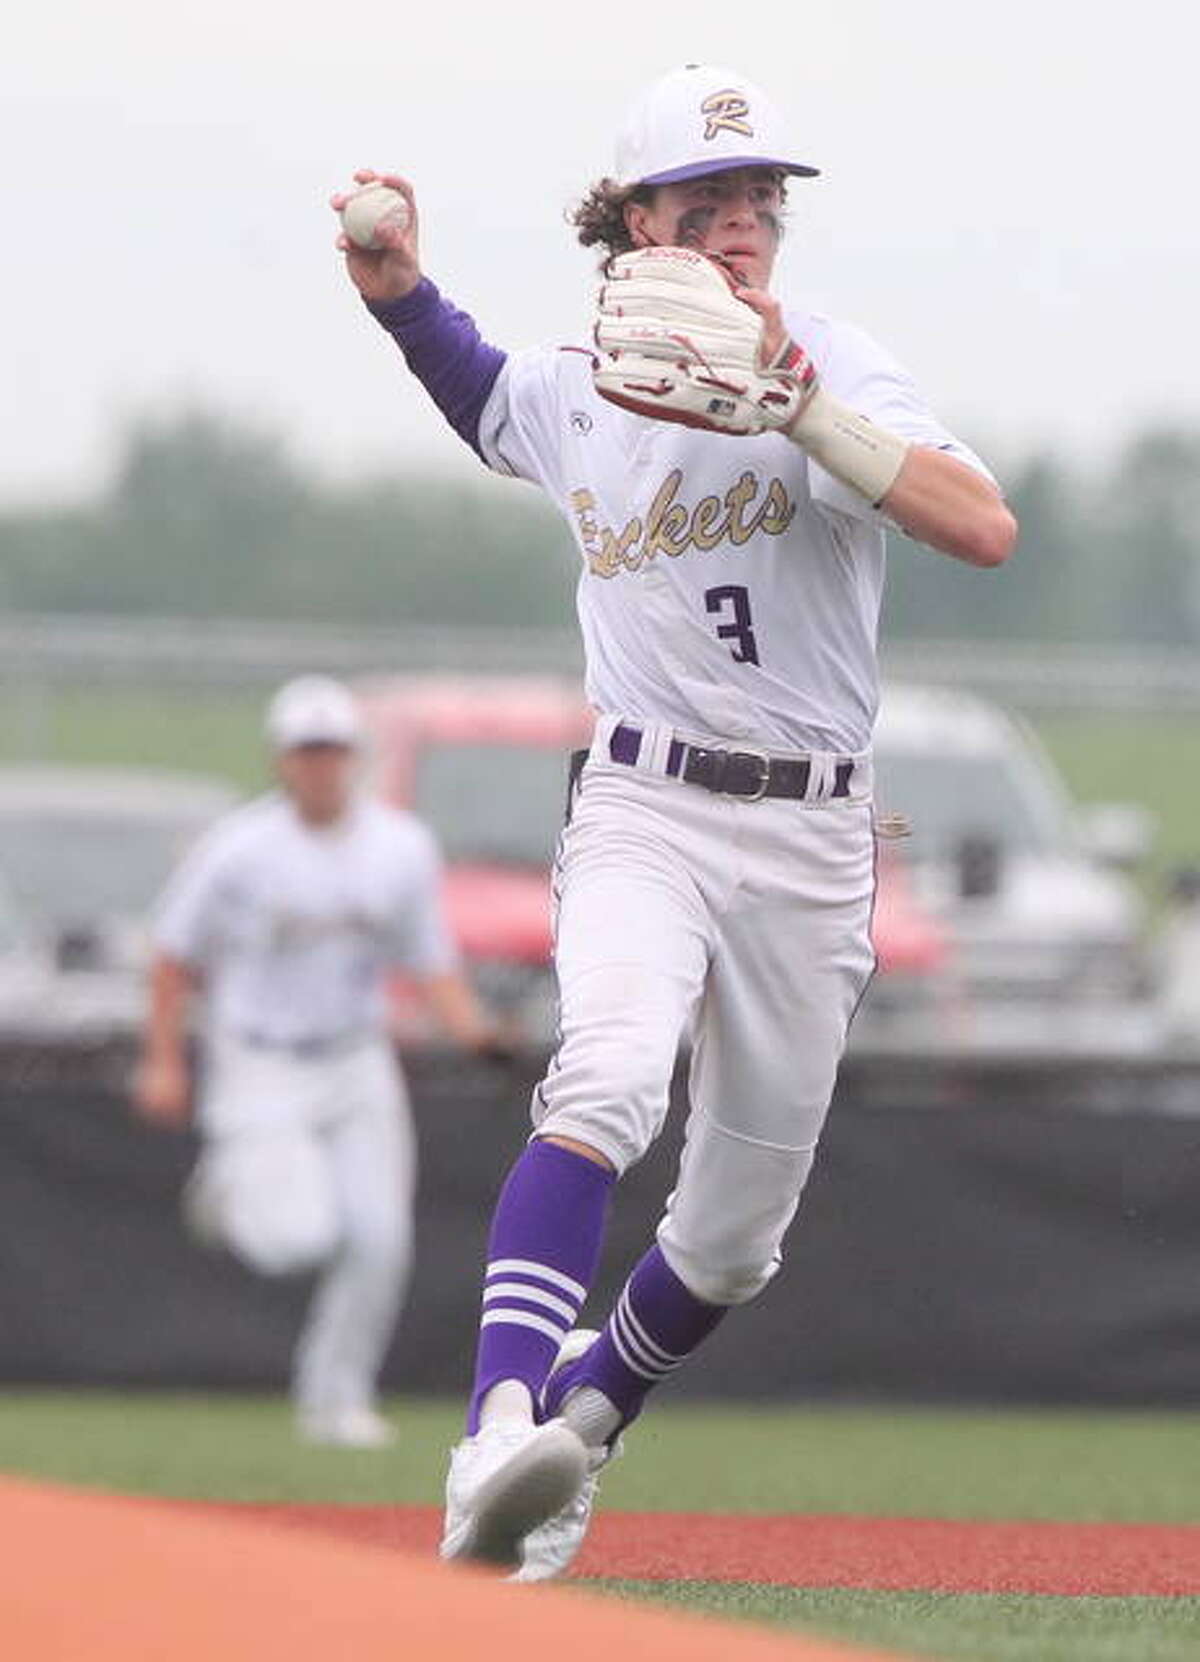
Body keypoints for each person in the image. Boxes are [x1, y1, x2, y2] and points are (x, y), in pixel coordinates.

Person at [333, 63, 1017, 1568]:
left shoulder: (835, 362)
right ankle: (497, 1432)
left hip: (817, 838)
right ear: (638, 222)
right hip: (644, 799)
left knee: (733, 1236)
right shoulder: (585, 385)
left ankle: (584, 1418)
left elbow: (981, 525)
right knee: (607, 1078)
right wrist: (397, 291)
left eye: (761, 203)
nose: (742, 229)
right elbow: (485, 389)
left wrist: (808, 414)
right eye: (707, 204)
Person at [133, 674, 507, 1447]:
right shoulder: (237, 849)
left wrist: (474, 1032)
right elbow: (170, 956)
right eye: (307, 751)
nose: (321, 766)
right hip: (260, 1058)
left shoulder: (400, 846)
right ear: (282, 760)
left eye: (334, 750)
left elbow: (429, 959)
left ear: (356, 757)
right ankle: (228, 1191)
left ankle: (335, 1400)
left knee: (377, 1239)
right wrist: (163, 1062)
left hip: (355, 1055)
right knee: (298, 1238)